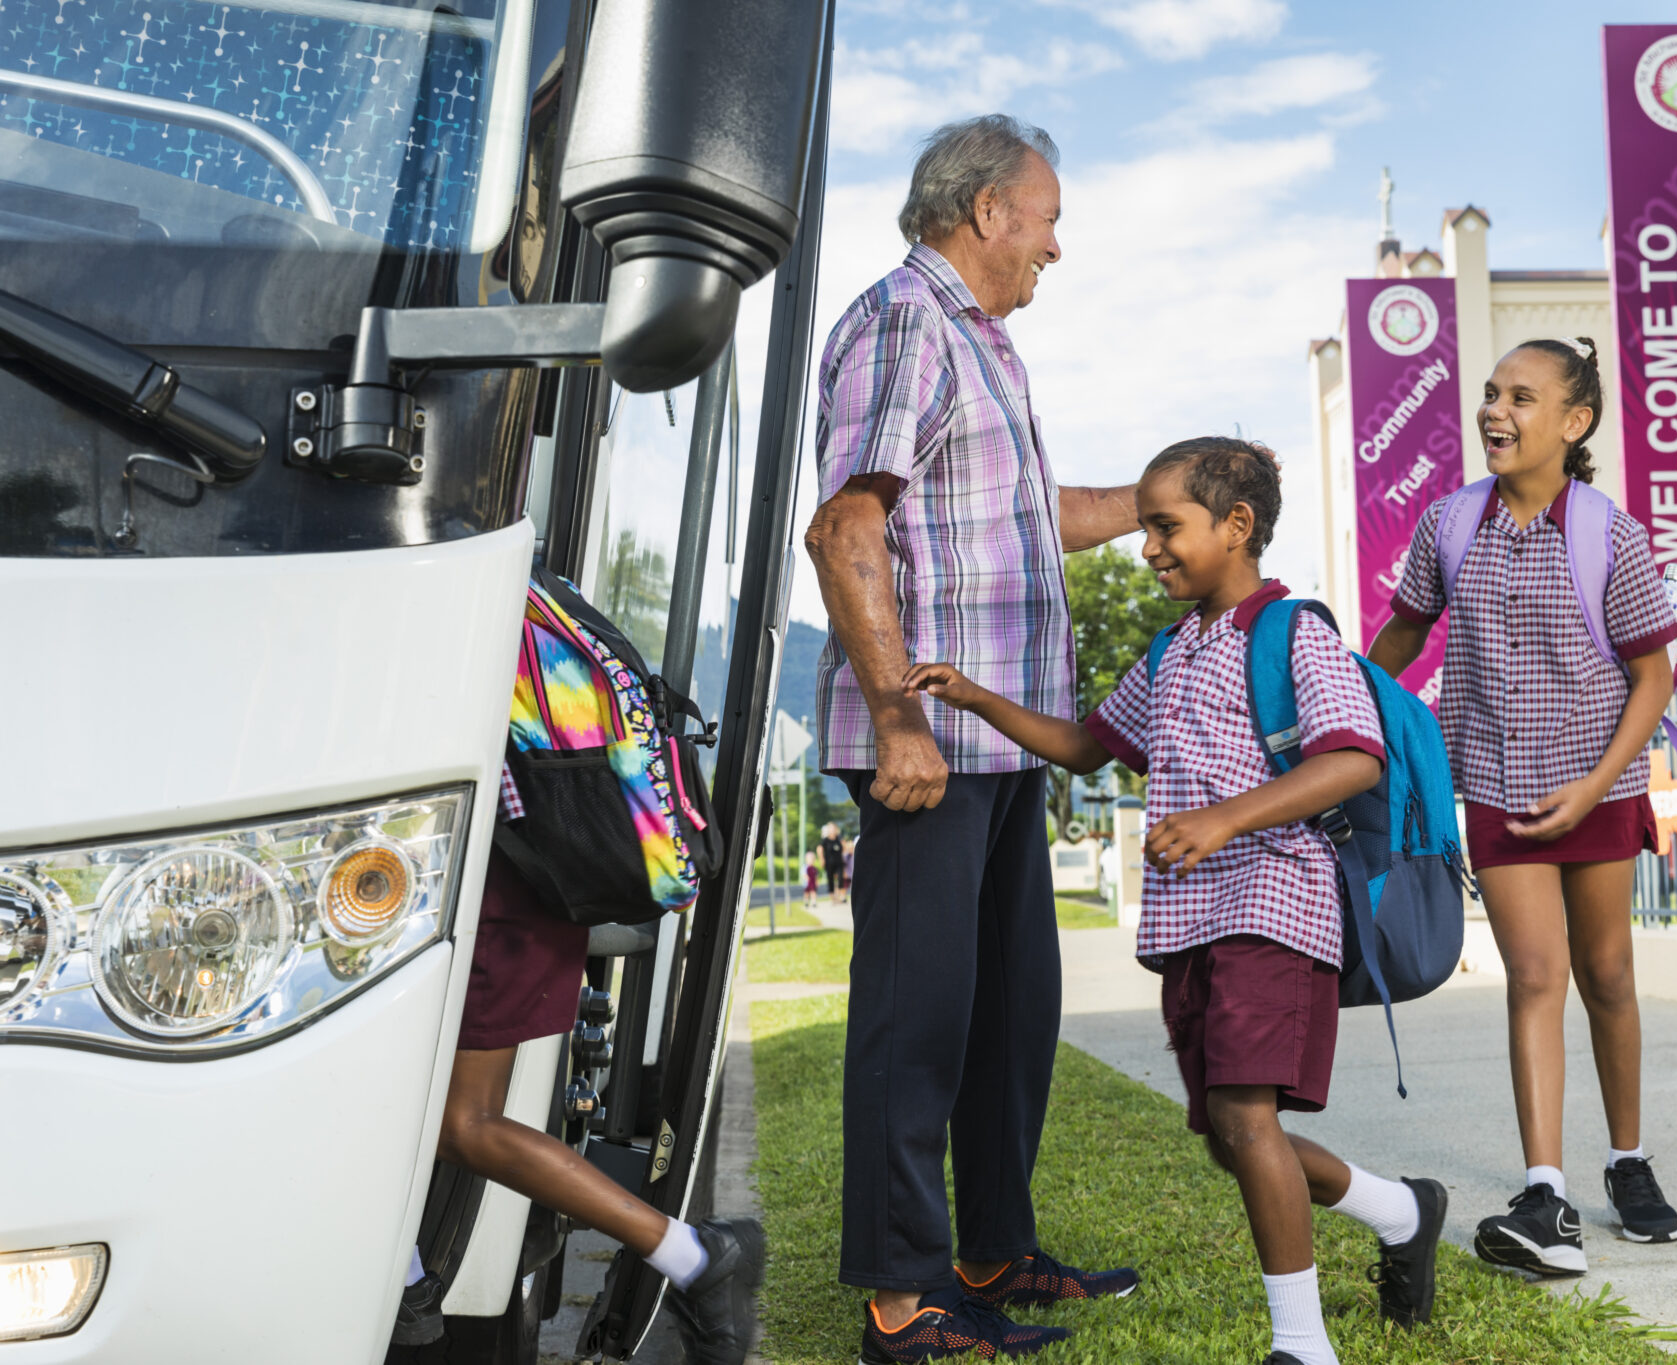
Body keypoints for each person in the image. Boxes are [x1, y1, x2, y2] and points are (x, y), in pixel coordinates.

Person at [911, 437, 1449, 1364]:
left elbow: (1352, 758)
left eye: (1166, 526)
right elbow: (1087, 747)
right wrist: (976, 697)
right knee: (1230, 1137)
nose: (1148, 546)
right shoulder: (1171, 651)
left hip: (1276, 908)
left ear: (1236, 525)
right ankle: (1403, 1210)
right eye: (1147, 528)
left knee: (1244, 1118)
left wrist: (1221, 819)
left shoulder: (1295, 632)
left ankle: (1303, 1345)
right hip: (1193, 924)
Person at [804, 113, 1144, 1361]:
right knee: (921, 1020)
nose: (1055, 245)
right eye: (1047, 219)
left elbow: (1029, 514)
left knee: (1010, 1014)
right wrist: (899, 720)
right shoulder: (904, 320)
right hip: (930, 749)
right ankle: (903, 1298)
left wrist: (1174, 493)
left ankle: (992, 1250)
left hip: (1002, 751)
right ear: (987, 210)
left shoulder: (980, 343)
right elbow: (846, 527)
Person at [1366, 338, 1677, 1276]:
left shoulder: (1611, 534)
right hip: (1498, 787)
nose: (1495, 411)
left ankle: (1628, 1160)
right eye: (1491, 393)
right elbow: (1406, 632)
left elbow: (1653, 675)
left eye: (1522, 397)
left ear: (1574, 422)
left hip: (1599, 783)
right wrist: (1348, 702)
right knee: (1535, 976)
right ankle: (1545, 1190)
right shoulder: (1449, 523)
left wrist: (1594, 783)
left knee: (1608, 974)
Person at [392, 841, 763, 1360]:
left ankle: (697, 1258)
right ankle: (402, 1278)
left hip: (501, 891)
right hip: (525, 886)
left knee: (464, 1123)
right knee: (447, 1115)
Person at [818, 822, 845, 900]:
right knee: (830, 880)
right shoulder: (825, 840)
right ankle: (833, 897)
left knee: (840, 878)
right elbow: (819, 849)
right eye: (831, 829)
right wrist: (822, 859)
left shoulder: (839, 839)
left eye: (834, 828)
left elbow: (844, 848)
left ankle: (840, 895)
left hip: (839, 862)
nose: (832, 830)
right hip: (829, 863)